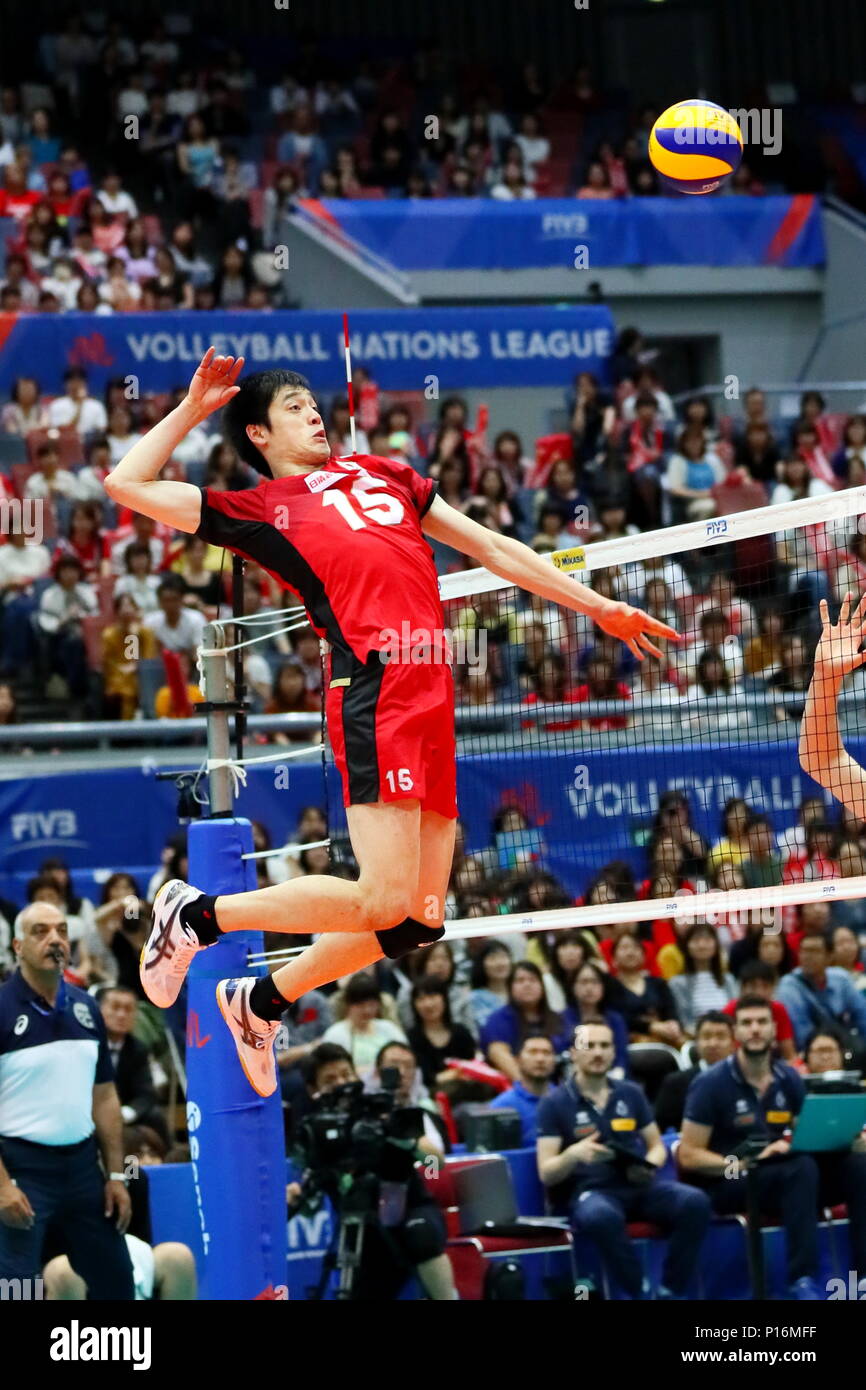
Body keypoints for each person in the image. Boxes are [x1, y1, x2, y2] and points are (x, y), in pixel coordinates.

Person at [111, 352, 674, 1097]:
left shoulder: (387, 474)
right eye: (292, 407)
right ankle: (199, 914)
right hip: (374, 686)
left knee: (417, 922)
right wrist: (190, 410)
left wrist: (596, 606)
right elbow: (127, 484)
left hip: (435, 691)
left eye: (314, 402)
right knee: (380, 898)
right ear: (258, 432)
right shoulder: (261, 512)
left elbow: (496, 548)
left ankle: (261, 1001)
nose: (314, 412)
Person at [0, 903, 134, 1298]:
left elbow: (106, 1097)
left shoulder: (87, 1007)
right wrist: (2, 1186)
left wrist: (115, 1175)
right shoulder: (2, 1009)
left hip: (81, 1169)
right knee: (16, 1289)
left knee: (118, 1281)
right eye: (41, 931)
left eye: (61, 930)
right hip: (21, 1169)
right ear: (18, 946)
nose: (55, 939)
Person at [680, 995, 846, 1300]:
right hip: (728, 1178)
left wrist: (839, 1137)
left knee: (856, 1165)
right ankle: (802, 1280)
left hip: (784, 1173)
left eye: (762, 1022)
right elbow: (688, 1155)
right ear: (735, 1033)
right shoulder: (711, 1084)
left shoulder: (788, 1078)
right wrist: (743, 1163)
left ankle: (860, 1275)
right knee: (801, 1169)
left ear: (774, 1029)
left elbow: (802, 1133)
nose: (755, 1029)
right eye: (747, 1023)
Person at [537, 1021, 710, 1299]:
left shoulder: (630, 1093)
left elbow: (656, 1146)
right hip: (592, 1192)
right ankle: (639, 1289)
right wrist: (573, 1154)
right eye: (589, 1046)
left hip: (638, 1185)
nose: (598, 1053)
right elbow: (546, 1172)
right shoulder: (555, 1103)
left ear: (614, 1051)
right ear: (573, 1052)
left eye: (605, 1046)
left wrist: (649, 1166)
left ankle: (670, 1289)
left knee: (695, 1201)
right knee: (600, 1216)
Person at [776, 930, 866, 1057]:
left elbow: (862, 1017)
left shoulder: (841, 978)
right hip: (811, 1053)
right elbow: (802, 1036)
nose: (807, 956)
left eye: (814, 951)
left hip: (846, 1049)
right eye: (804, 951)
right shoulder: (789, 986)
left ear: (830, 956)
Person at [99, 985, 168, 1143]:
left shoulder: (138, 1049)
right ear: (99, 1010)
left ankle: (166, 1162)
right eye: (115, 1008)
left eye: (128, 1009)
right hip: (93, 1111)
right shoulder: (89, 1046)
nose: (122, 1015)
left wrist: (126, 1113)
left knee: (156, 1116)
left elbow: (146, 1093)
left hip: (124, 1112)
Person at [480, 962, 568, 1082]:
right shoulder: (498, 1019)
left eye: (533, 980)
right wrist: (528, 1087)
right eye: (520, 981)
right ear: (510, 988)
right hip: (517, 1088)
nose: (527, 985)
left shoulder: (558, 1019)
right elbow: (498, 1054)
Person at [654, 1011, 734, 1133]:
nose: (713, 1044)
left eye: (721, 1037)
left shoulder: (745, 1079)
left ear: (733, 1043)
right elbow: (660, 1131)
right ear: (696, 1042)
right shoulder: (676, 1083)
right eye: (706, 1037)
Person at [320, 974, 406, 1079]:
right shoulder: (335, 1034)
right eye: (360, 1005)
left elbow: (405, 1057)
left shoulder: (388, 1027)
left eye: (372, 1004)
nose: (367, 1010)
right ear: (348, 1004)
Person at [405, 976, 477, 1091]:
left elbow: (474, 1066)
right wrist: (452, 1075)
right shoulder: (412, 1037)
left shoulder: (461, 1032)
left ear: (444, 999)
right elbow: (422, 1079)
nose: (428, 1004)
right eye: (421, 999)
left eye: (432, 996)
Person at [668, 924, 738, 1033]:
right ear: (686, 946)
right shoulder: (677, 983)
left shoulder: (728, 979)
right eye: (696, 940)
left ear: (716, 944)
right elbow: (684, 1022)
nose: (702, 945)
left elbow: (736, 1014)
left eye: (707, 939)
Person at [488, 1034, 557, 1144]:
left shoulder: (567, 1100)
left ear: (554, 1060)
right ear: (517, 1060)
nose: (540, 1059)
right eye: (532, 1052)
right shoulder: (501, 1106)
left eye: (546, 1053)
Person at [723, 960, 796, 1061]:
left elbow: (789, 1053)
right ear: (742, 988)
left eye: (765, 986)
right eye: (753, 986)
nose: (759, 992)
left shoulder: (778, 1009)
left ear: (773, 988)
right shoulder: (729, 1010)